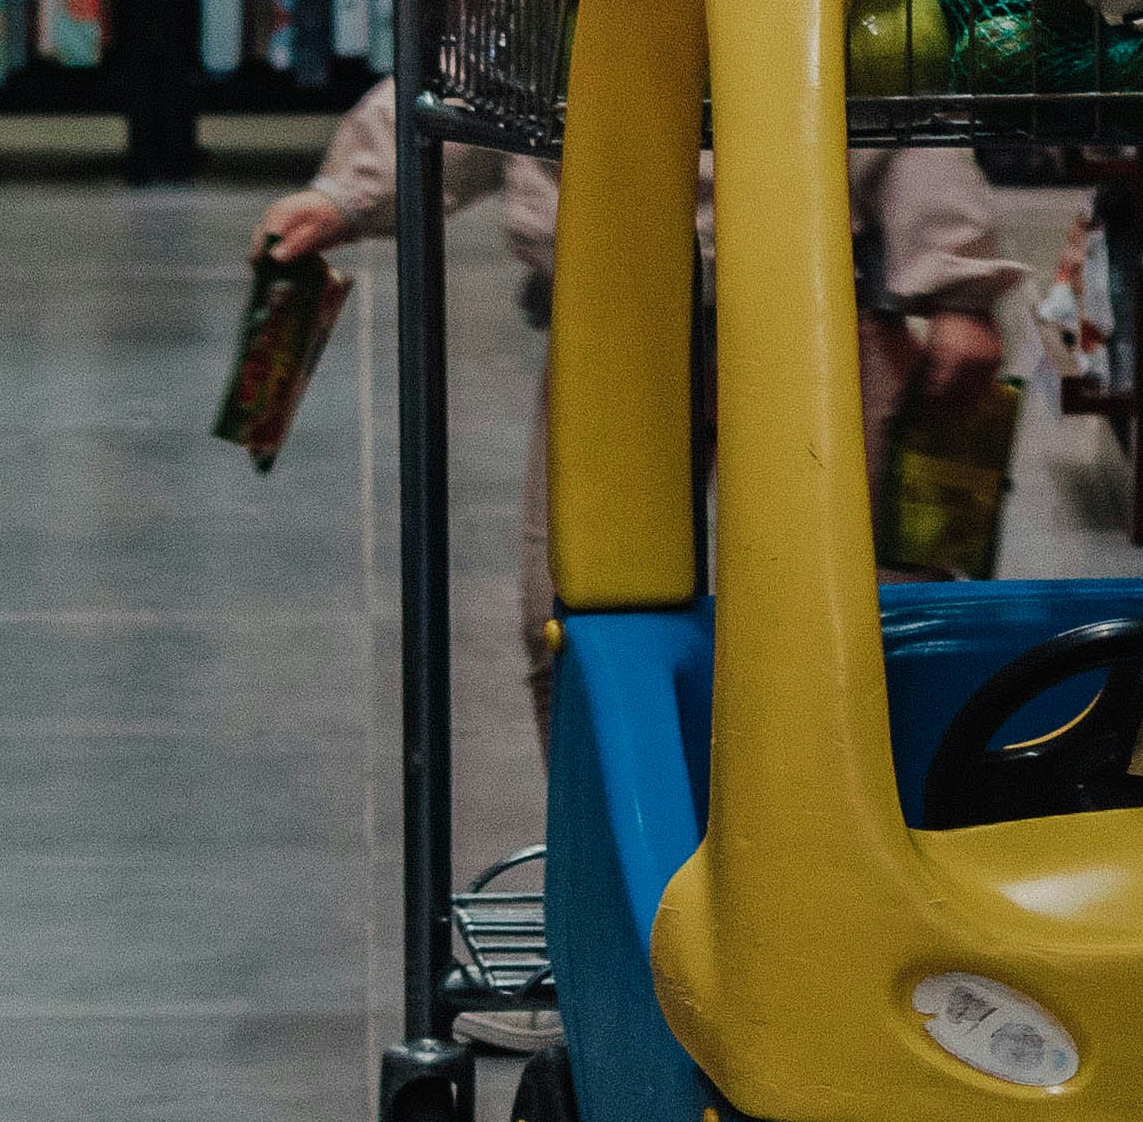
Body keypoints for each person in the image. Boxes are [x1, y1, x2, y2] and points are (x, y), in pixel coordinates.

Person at [257, 82, 1023, 751]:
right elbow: (469, 82)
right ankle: (613, 850)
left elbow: (903, 108)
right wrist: (344, 195)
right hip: (615, 320)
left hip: (824, 314)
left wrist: (955, 283)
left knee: (875, 614)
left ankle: (877, 836)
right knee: (578, 622)